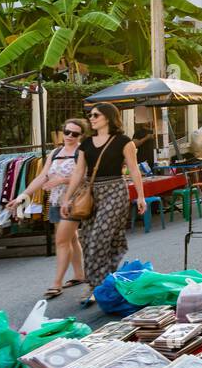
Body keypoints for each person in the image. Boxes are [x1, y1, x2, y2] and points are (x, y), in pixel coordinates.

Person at [63, 102, 146, 303]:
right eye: (90, 115)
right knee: (88, 238)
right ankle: (107, 278)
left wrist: (141, 196)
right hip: (92, 193)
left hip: (115, 190)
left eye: (95, 115)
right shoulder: (86, 144)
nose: (91, 118)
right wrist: (67, 198)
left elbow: (134, 170)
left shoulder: (124, 142)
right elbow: (78, 172)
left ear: (108, 117)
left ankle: (95, 285)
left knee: (100, 236)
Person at [7, 118, 86, 299]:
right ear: (62, 132)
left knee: (61, 241)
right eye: (67, 132)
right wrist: (22, 197)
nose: (70, 136)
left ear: (81, 136)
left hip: (73, 201)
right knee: (71, 238)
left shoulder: (82, 153)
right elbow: (42, 177)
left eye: (75, 134)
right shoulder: (55, 152)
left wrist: (61, 180)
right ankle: (80, 274)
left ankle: (56, 283)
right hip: (56, 201)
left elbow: (85, 178)